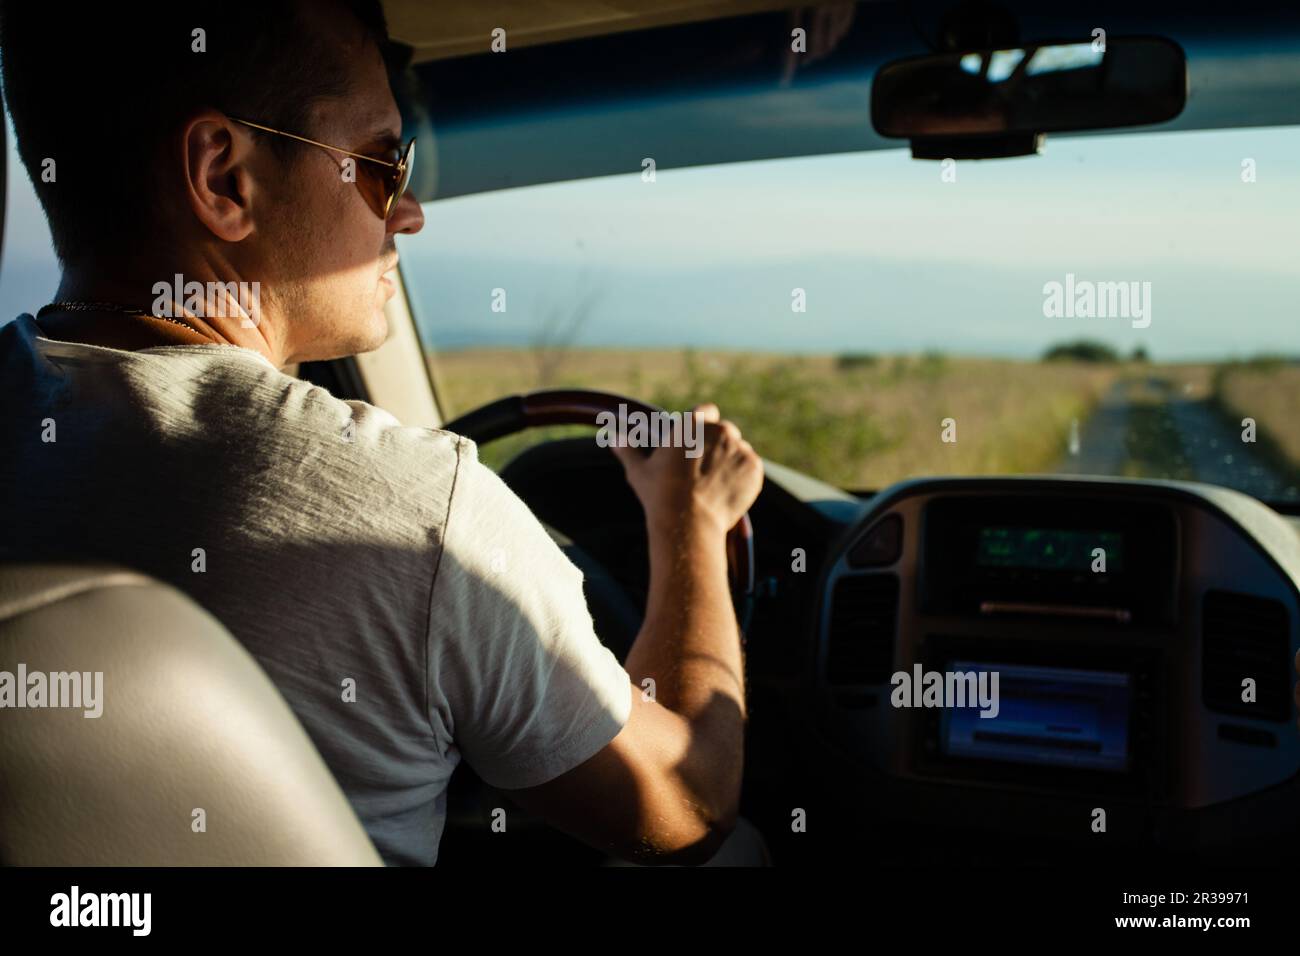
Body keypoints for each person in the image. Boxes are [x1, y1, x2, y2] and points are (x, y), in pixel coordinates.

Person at [0, 1, 764, 865]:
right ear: (223, 179)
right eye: (379, 164)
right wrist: (690, 523)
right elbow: (688, 804)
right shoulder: (414, 515)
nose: (409, 213)